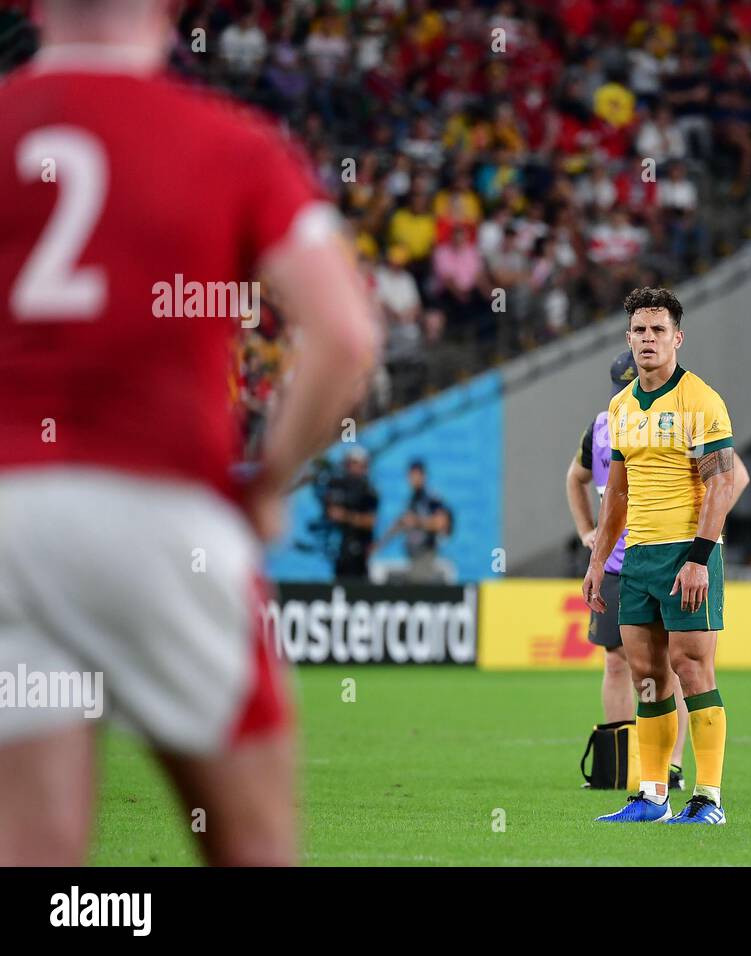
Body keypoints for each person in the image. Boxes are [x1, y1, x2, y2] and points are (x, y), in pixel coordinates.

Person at [0, 0, 376, 865]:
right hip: (161, 510)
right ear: (170, 10)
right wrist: (267, 481)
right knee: (254, 847)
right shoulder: (233, 141)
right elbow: (346, 336)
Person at [583, 288, 738, 824]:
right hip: (639, 558)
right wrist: (598, 560)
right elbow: (616, 495)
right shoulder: (620, 407)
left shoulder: (701, 400)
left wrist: (699, 555)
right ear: (628, 339)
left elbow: (720, 485)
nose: (648, 340)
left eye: (658, 330)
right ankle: (652, 796)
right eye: (639, 331)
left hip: (687, 554)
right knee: (646, 675)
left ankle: (708, 799)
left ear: (678, 337)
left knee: (692, 669)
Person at [376, 459, 455, 584]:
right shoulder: (412, 499)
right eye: (411, 475)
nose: (413, 479)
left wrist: (417, 522)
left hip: (426, 554)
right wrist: (379, 544)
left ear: (424, 476)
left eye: (416, 475)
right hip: (413, 555)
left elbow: (442, 523)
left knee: (416, 586)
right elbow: (400, 523)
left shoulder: (430, 498)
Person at [326, 447, 380, 581]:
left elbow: (370, 521)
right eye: (350, 464)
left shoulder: (368, 491)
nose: (352, 468)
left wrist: (346, 516)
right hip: (341, 551)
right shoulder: (340, 487)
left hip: (359, 553)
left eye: (356, 464)